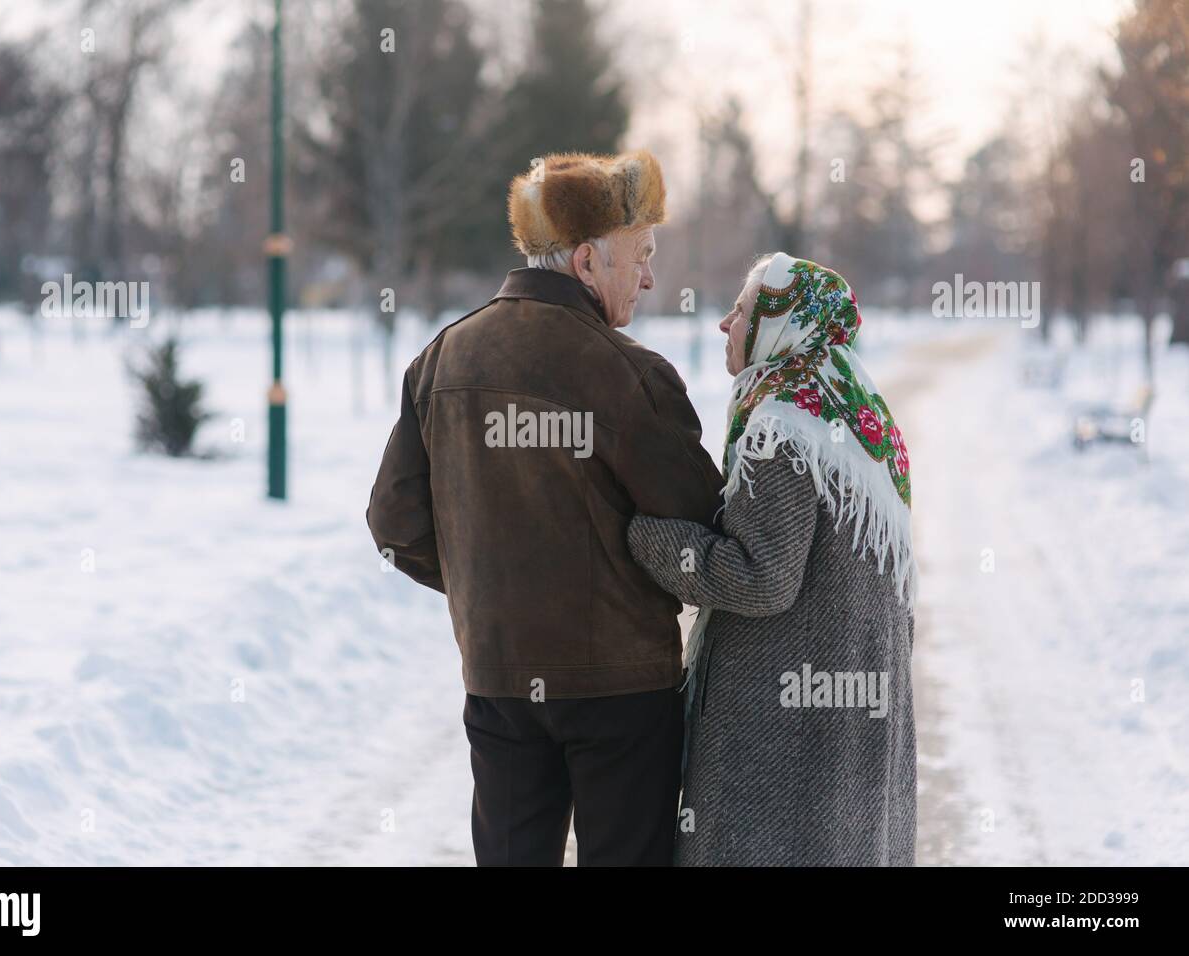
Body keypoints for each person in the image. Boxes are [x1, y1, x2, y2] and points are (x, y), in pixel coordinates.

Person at [367, 149, 723, 866]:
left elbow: (394, 524)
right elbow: (701, 530)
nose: (650, 277)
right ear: (588, 261)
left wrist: (487, 583)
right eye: (641, 255)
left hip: (498, 680)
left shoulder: (441, 359)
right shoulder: (630, 374)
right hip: (622, 691)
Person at [627, 252, 918, 866]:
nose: (724, 325)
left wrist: (647, 538)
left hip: (784, 730)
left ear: (780, 325)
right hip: (854, 701)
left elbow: (760, 578)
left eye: (740, 312)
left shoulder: (782, 421)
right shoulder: (854, 408)